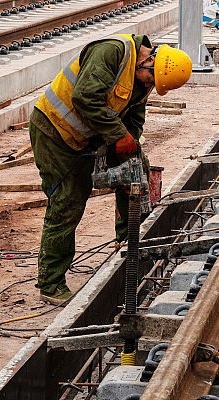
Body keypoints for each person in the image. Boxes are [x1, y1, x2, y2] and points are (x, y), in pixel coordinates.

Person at [31, 36, 191, 304]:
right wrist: (119, 136)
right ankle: (51, 283)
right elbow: (84, 98)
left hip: (89, 136)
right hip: (54, 132)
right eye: (150, 81)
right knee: (67, 201)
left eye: (153, 85)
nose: (149, 86)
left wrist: (129, 159)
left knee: (138, 171)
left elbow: (134, 120)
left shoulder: (145, 76)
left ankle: (129, 245)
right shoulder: (111, 53)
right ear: (150, 60)